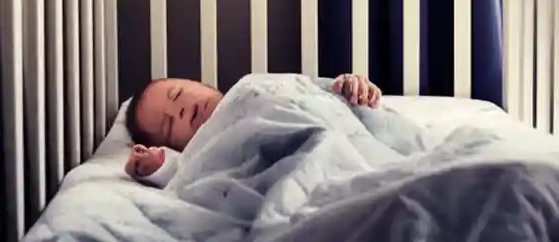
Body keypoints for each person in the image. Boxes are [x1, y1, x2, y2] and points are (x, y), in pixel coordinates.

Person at [123, 73, 382, 183]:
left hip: (350, 145)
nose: (179, 110)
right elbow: (195, 178)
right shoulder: (207, 149)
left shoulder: (255, 85)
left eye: (177, 94)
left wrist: (351, 88)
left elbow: (315, 92)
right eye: (169, 126)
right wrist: (157, 168)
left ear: (196, 82)